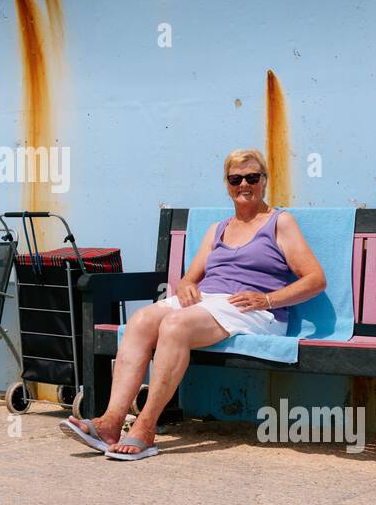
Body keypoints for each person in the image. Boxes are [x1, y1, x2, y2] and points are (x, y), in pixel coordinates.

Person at [64, 148, 326, 460]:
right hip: (210, 304)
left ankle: (146, 428)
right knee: (141, 320)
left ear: (264, 181)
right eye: (236, 178)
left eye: (252, 177)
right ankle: (110, 423)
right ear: (227, 184)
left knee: (174, 325)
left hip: (252, 309)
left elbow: (315, 279)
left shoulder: (279, 222)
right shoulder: (218, 229)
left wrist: (267, 298)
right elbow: (190, 278)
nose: (244, 184)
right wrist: (187, 286)